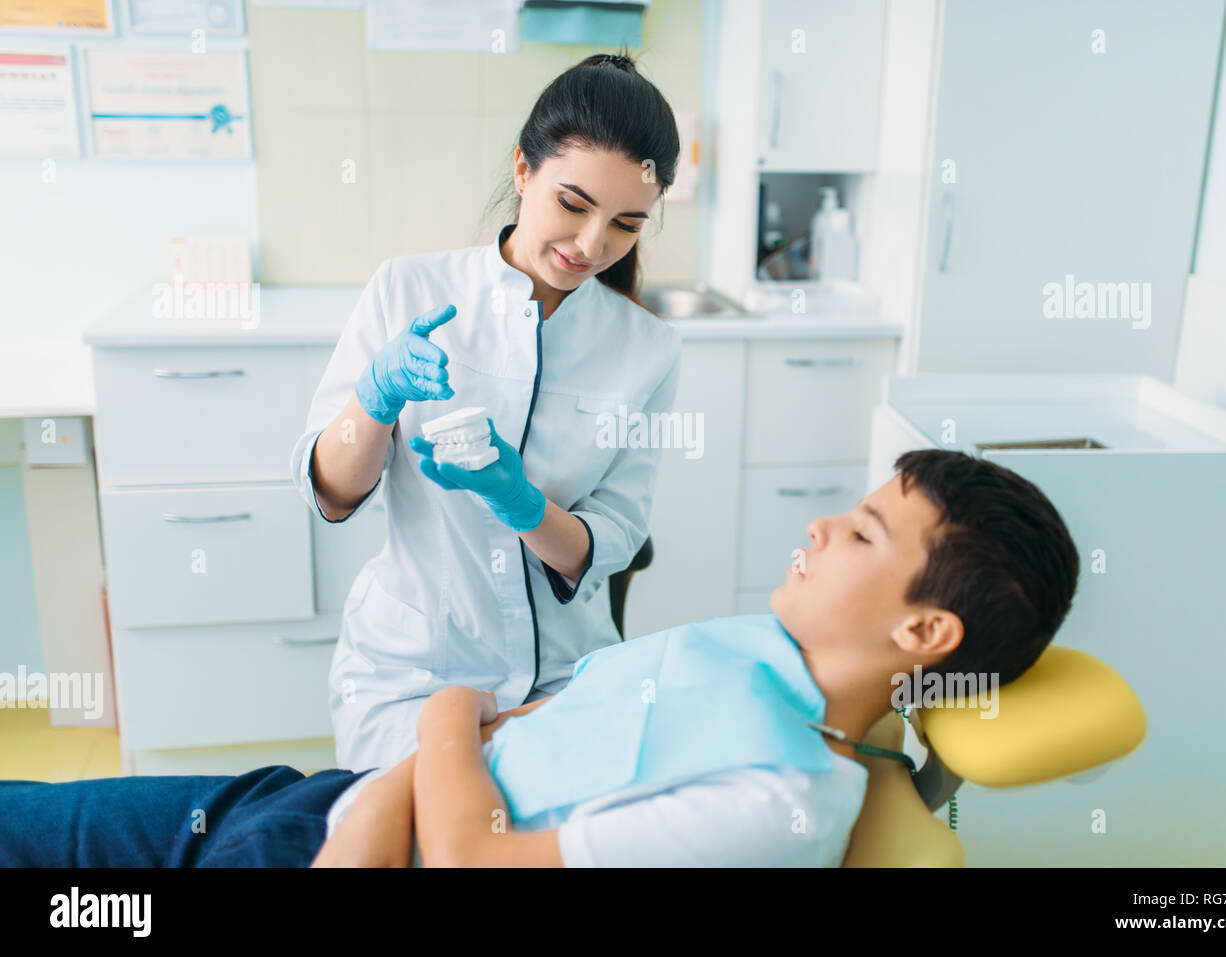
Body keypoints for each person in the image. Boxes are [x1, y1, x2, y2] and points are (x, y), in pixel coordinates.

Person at [0, 450, 1080, 868]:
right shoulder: (762, 662)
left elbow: (474, 859)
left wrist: (443, 715)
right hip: (319, 804)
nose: (817, 527)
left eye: (860, 534)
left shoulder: (779, 797)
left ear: (925, 633)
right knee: (32, 818)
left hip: (336, 848)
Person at [292, 51, 684, 770]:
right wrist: (374, 399)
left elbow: (616, 538)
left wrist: (522, 502)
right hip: (410, 675)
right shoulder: (407, 288)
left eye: (626, 223)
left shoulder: (647, 350)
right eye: (573, 204)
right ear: (524, 170)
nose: (591, 245)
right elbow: (333, 490)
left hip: (566, 681)